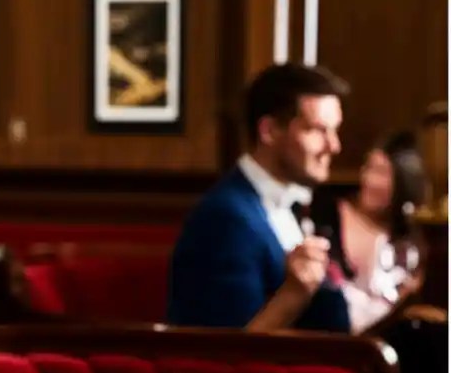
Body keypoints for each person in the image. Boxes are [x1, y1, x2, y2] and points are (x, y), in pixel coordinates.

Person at [167, 63, 352, 332]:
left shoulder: (289, 203)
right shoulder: (226, 218)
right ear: (269, 131)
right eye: (317, 130)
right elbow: (227, 351)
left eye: (335, 130)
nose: (334, 146)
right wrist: (295, 293)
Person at [306, 131, 428, 333]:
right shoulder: (327, 217)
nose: (369, 180)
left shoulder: (411, 238)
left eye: (381, 172)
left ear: (404, 182)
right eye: (369, 168)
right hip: (335, 340)